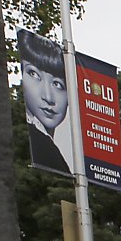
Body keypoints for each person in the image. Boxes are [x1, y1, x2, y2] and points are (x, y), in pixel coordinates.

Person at [17, 29, 76, 177]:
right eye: (34, 74)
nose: (48, 97)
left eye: (58, 84)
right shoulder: (38, 143)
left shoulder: (52, 149)